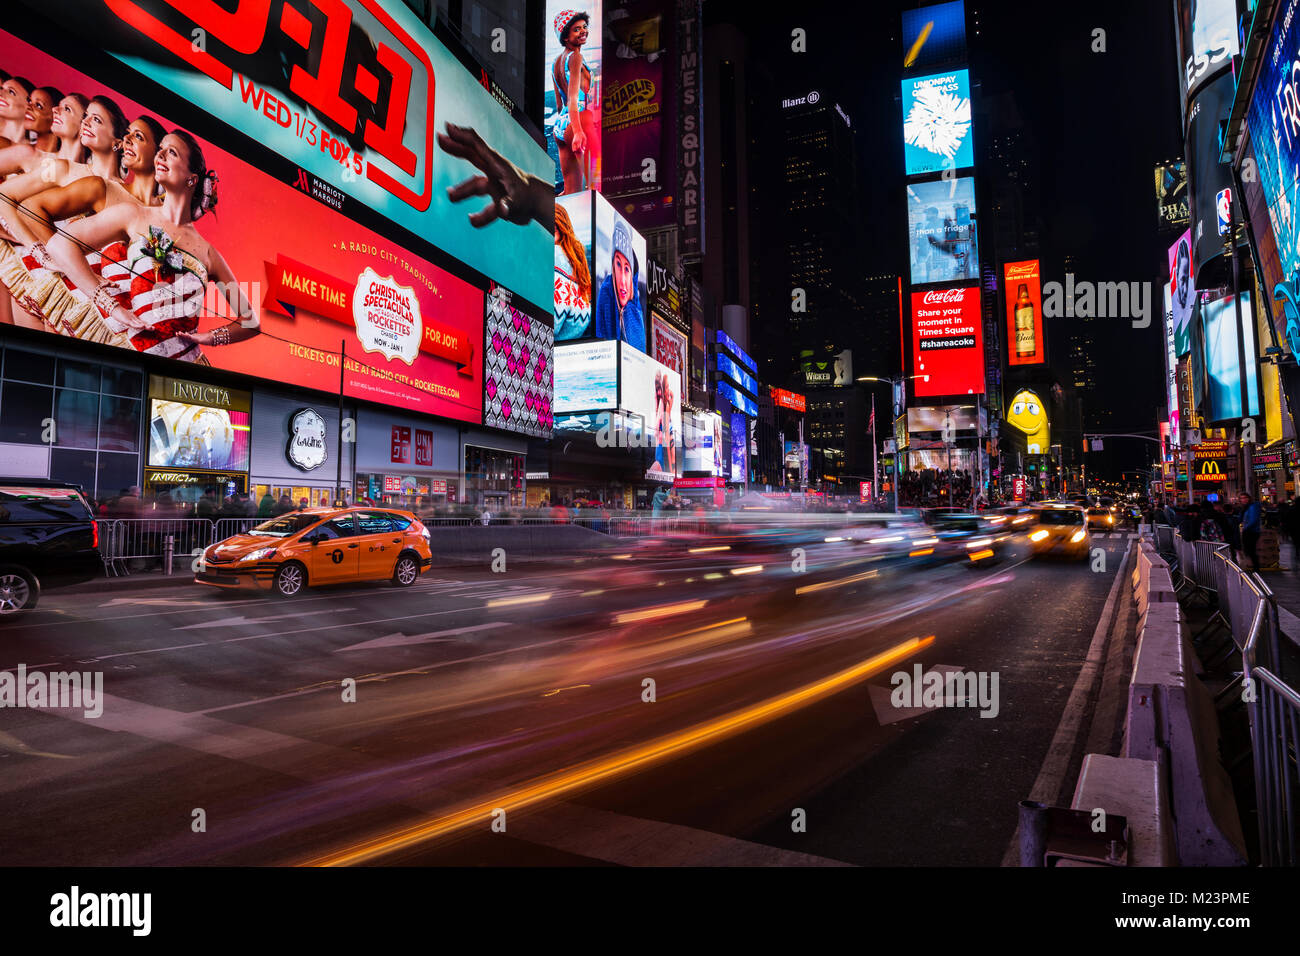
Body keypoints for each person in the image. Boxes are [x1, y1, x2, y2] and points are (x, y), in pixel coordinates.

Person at [45, 128, 261, 360]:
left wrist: (209, 338)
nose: (160, 156)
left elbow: (251, 322)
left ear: (192, 179)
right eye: (160, 150)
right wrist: (110, 305)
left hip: (185, 369)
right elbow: (59, 244)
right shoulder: (133, 215)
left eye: (172, 153)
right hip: (133, 359)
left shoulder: (209, 253)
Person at [550, 11, 596, 195]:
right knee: (596, 185)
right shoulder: (576, 57)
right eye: (577, 29)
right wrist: (577, 131)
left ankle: (559, 221)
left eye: (584, 27)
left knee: (570, 193)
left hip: (560, 127)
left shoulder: (555, 62)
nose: (583, 31)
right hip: (578, 123)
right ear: (566, 37)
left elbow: (559, 104)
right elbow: (573, 98)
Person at [593, 218, 644, 351]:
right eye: (618, 264)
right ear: (613, 266)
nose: (622, 280)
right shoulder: (606, 292)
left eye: (627, 269)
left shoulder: (636, 307)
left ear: (632, 272)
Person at [1239, 491, 1263, 572]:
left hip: (1252, 531)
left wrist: (1245, 528)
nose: (1243, 500)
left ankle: (1256, 568)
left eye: (1245, 498)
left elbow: (1253, 520)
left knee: (1250, 550)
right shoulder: (1245, 508)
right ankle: (1254, 566)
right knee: (1248, 550)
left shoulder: (1253, 507)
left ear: (1249, 498)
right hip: (1248, 530)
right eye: (1241, 498)